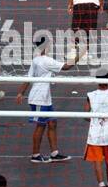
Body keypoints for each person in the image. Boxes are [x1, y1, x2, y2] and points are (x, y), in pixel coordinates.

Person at [15, 34, 75, 163]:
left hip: (45, 99)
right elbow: (66, 67)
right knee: (40, 126)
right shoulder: (45, 61)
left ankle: (54, 153)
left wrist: (21, 92)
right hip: (39, 99)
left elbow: (29, 78)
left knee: (52, 122)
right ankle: (35, 155)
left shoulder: (36, 60)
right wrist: (79, 55)